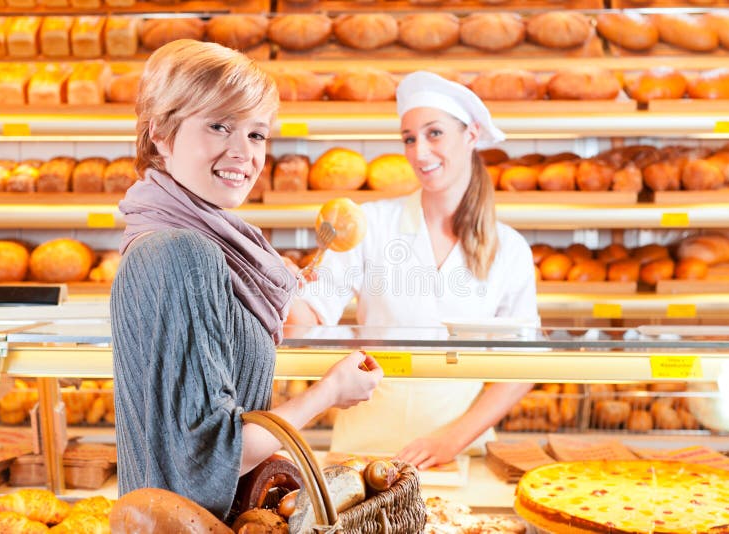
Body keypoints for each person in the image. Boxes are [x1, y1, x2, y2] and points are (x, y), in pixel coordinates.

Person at [110, 39, 383, 521]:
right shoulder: (183, 253)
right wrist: (326, 395)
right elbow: (210, 457)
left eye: (257, 134)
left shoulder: (188, 244)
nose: (244, 153)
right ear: (161, 134)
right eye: (219, 125)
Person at [288, 71, 539, 470]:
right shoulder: (370, 223)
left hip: (457, 455)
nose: (419, 152)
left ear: (471, 134)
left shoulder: (508, 248)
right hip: (364, 449)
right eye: (409, 138)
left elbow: (524, 366)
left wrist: (450, 441)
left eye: (434, 133)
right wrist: (284, 289)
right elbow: (306, 321)